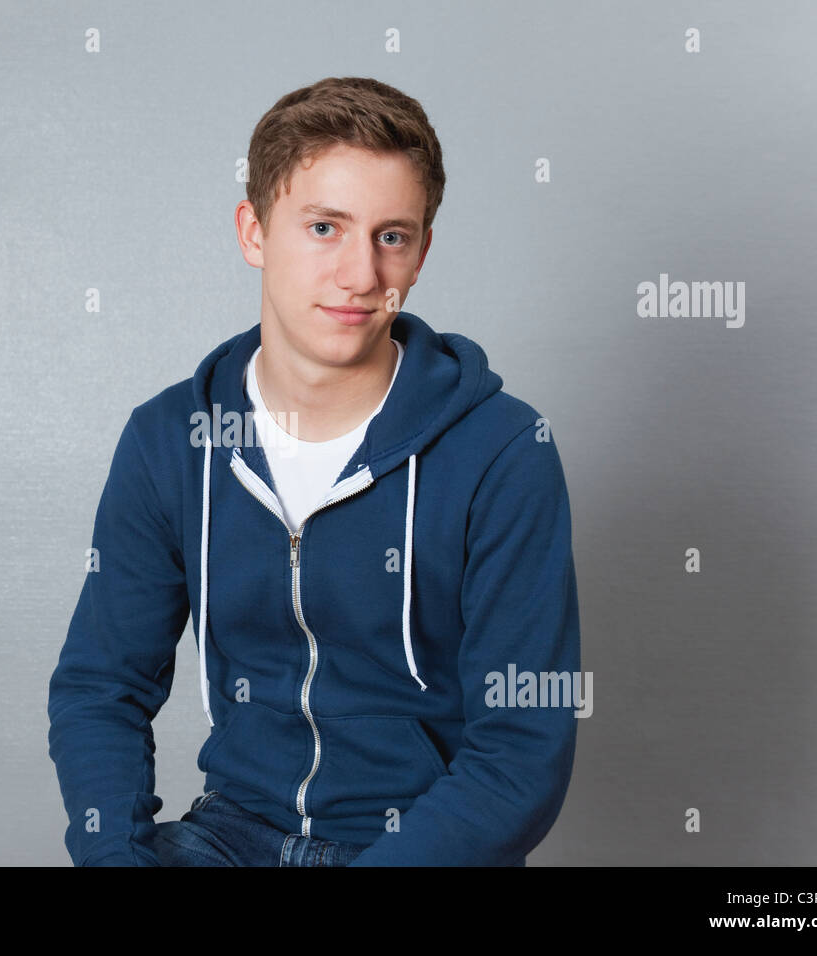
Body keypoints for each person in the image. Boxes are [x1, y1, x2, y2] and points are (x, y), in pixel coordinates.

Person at [47, 76, 581, 866]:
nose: (361, 275)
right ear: (254, 232)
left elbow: (521, 753)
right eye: (325, 227)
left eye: (391, 236)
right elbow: (101, 689)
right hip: (228, 835)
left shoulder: (502, 450)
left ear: (421, 252)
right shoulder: (174, 439)